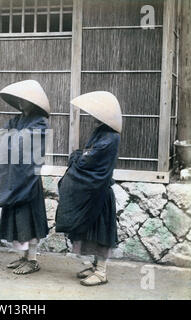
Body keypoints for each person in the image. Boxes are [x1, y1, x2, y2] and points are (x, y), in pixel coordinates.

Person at [55, 91, 122, 286]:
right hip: (92, 191)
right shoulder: (101, 132)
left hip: (99, 192)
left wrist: (79, 156)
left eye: (97, 114)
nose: (93, 117)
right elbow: (82, 155)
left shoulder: (111, 137)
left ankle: (101, 272)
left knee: (100, 233)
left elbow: (86, 160)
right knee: (91, 231)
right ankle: (95, 266)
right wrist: (80, 155)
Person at [0, 80, 50, 275]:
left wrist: (12, 138)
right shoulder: (17, 120)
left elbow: (25, 144)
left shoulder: (40, 123)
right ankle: (23, 257)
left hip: (28, 179)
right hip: (14, 177)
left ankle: (33, 260)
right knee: (18, 220)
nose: (19, 103)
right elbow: (3, 135)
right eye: (18, 100)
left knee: (29, 220)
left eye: (23, 100)